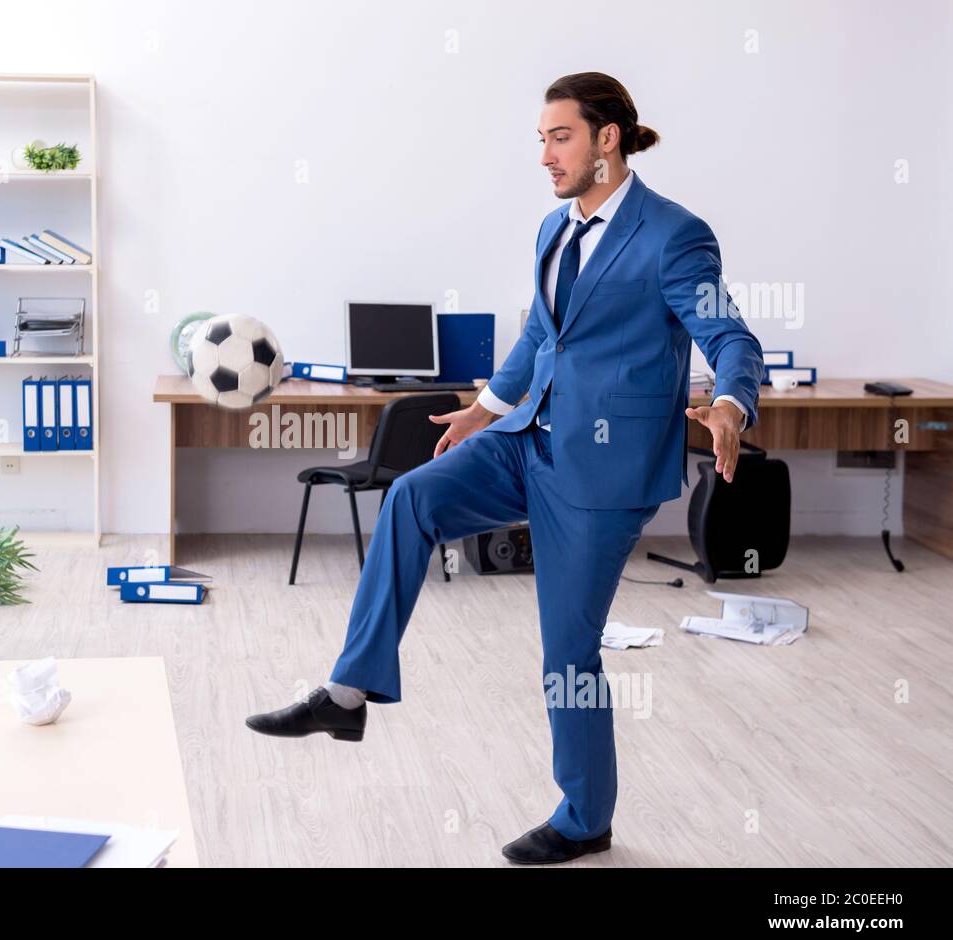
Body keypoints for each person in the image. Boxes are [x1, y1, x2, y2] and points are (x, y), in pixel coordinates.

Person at [246, 72, 764, 865]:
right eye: (542, 139)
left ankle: (586, 819)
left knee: (568, 655)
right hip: (528, 441)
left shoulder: (673, 235)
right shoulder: (554, 231)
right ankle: (348, 694)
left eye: (560, 136)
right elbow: (541, 342)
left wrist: (731, 404)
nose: (546, 155)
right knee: (412, 497)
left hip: (603, 475)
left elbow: (731, 338)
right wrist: (487, 407)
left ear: (606, 138)